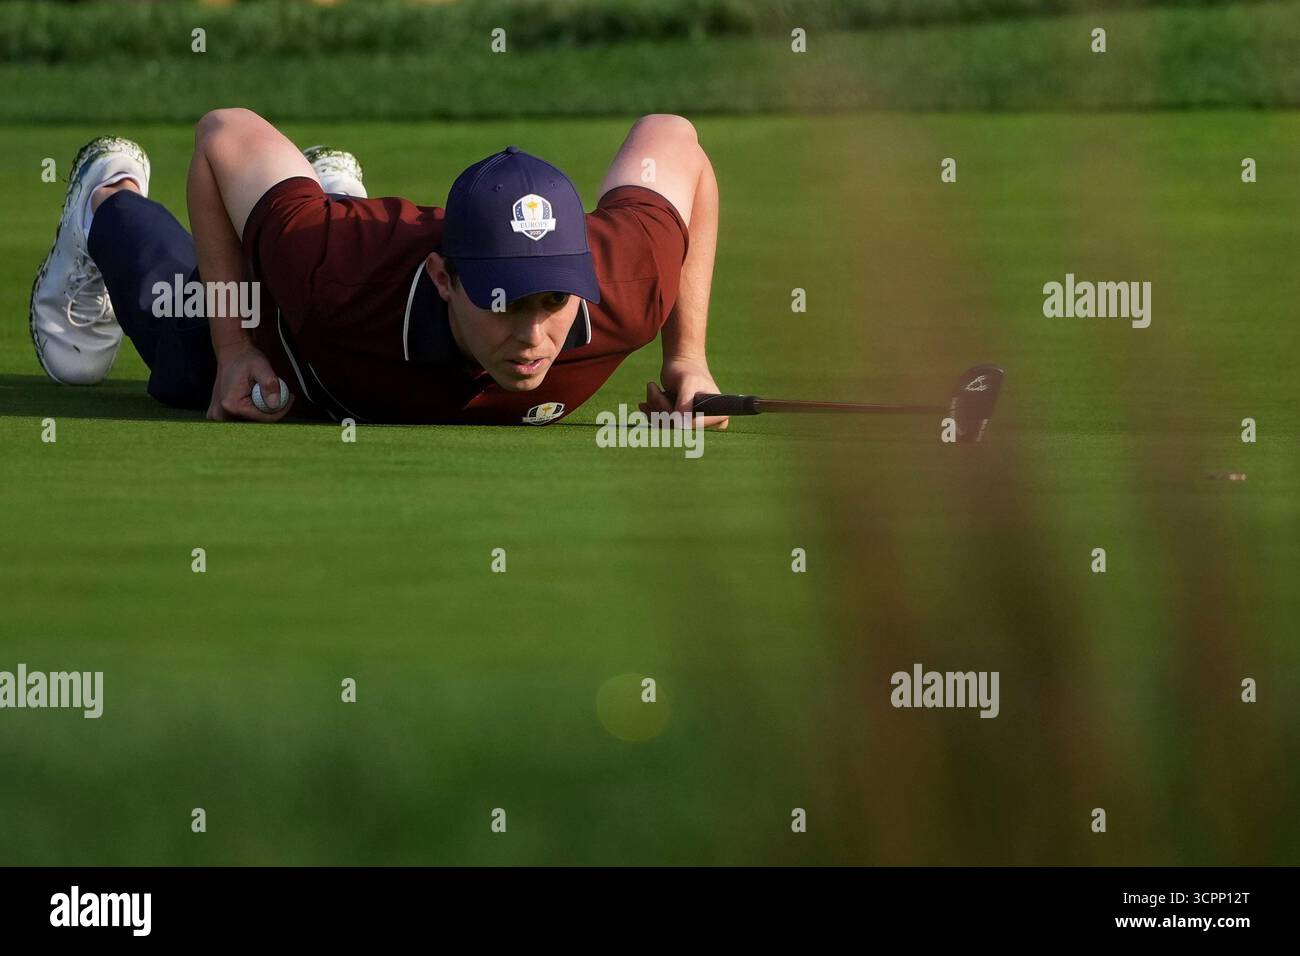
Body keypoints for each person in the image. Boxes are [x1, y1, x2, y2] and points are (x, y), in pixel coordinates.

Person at [29, 110, 729, 429]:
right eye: (502, 301)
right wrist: (236, 346)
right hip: (296, 322)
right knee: (183, 353)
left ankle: (329, 191)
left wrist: (688, 360)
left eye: (552, 300)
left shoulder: (627, 283)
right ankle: (106, 199)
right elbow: (223, 134)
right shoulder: (328, 267)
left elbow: (675, 138)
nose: (533, 332)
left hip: (353, 246)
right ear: (445, 279)